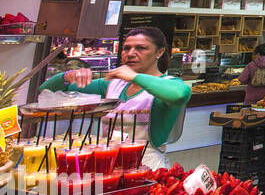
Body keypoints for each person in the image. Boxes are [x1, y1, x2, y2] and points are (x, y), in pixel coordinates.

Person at [41, 26, 192, 169]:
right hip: (108, 163)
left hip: (147, 165)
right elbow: (45, 91)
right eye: (127, 48)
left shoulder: (168, 84)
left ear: (159, 52)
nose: (131, 53)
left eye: (141, 48)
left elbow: (179, 95)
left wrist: (134, 76)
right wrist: (67, 76)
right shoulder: (111, 85)